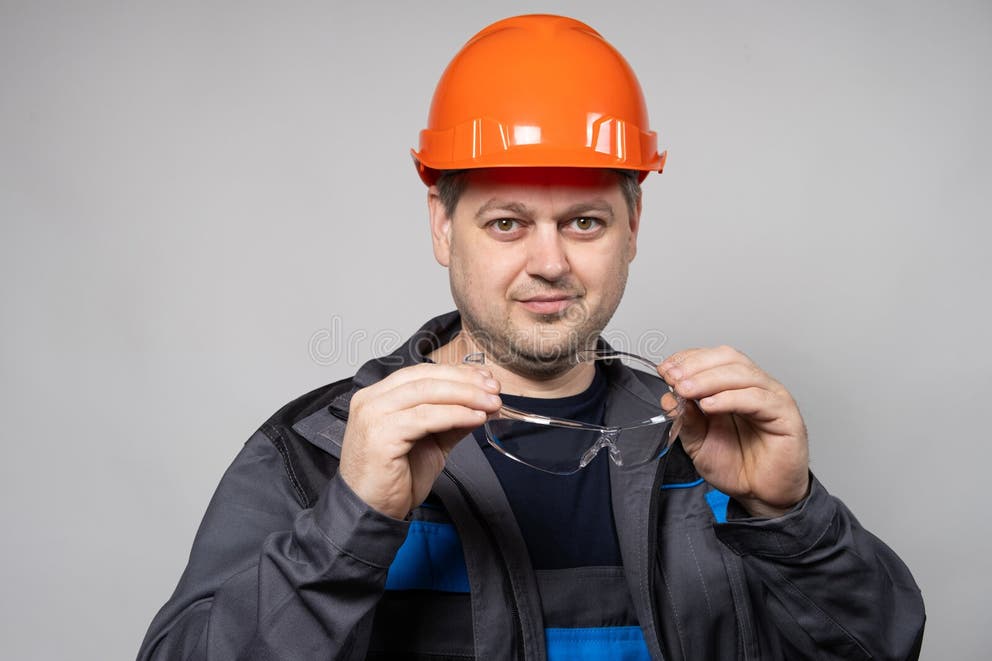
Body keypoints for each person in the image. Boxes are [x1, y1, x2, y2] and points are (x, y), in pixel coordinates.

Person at [137, 14, 925, 660]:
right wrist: (351, 521)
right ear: (444, 227)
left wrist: (793, 517)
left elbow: (882, 646)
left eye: (584, 222)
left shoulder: (717, 444)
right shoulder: (316, 452)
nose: (549, 262)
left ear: (633, 228)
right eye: (507, 222)